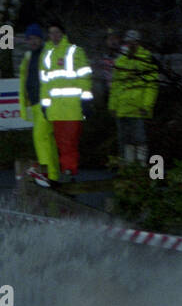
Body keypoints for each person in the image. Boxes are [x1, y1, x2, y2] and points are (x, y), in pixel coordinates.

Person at [40, 20, 93, 183]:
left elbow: (85, 77)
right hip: (56, 109)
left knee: (69, 142)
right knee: (60, 143)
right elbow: (45, 82)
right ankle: (63, 172)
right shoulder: (47, 54)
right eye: (51, 33)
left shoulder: (75, 51)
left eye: (56, 32)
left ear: (63, 34)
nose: (54, 36)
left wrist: (86, 100)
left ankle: (68, 171)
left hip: (72, 107)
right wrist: (45, 103)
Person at [108, 29, 158, 164]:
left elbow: (151, 86)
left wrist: (146, 105)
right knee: (125, 140)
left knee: (139, 139)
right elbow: (116, 85)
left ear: (138, 42)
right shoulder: (121, 61)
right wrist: (113, 106)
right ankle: (128, 167)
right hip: (122, 108)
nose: (131, 45)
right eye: (129, 42)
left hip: (138, 108)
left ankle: (141, 166)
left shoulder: (146, 59)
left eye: (134, 42)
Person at [18, 23, 59, 183]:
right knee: (46, 139)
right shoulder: (29, 57)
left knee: (41, 137)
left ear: (41, 39)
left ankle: (46, 171)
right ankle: (52, 174)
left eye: (36, 38)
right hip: (35, 103)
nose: (33, 41)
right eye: (30, 39)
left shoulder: (47, 53)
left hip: (47, 102)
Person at [93, 28, 120, 108]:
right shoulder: (99, 56)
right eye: (110, 39)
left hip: (120, 92)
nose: (113, 41)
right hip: (105, 92)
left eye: (115, 38)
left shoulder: (124, 55)